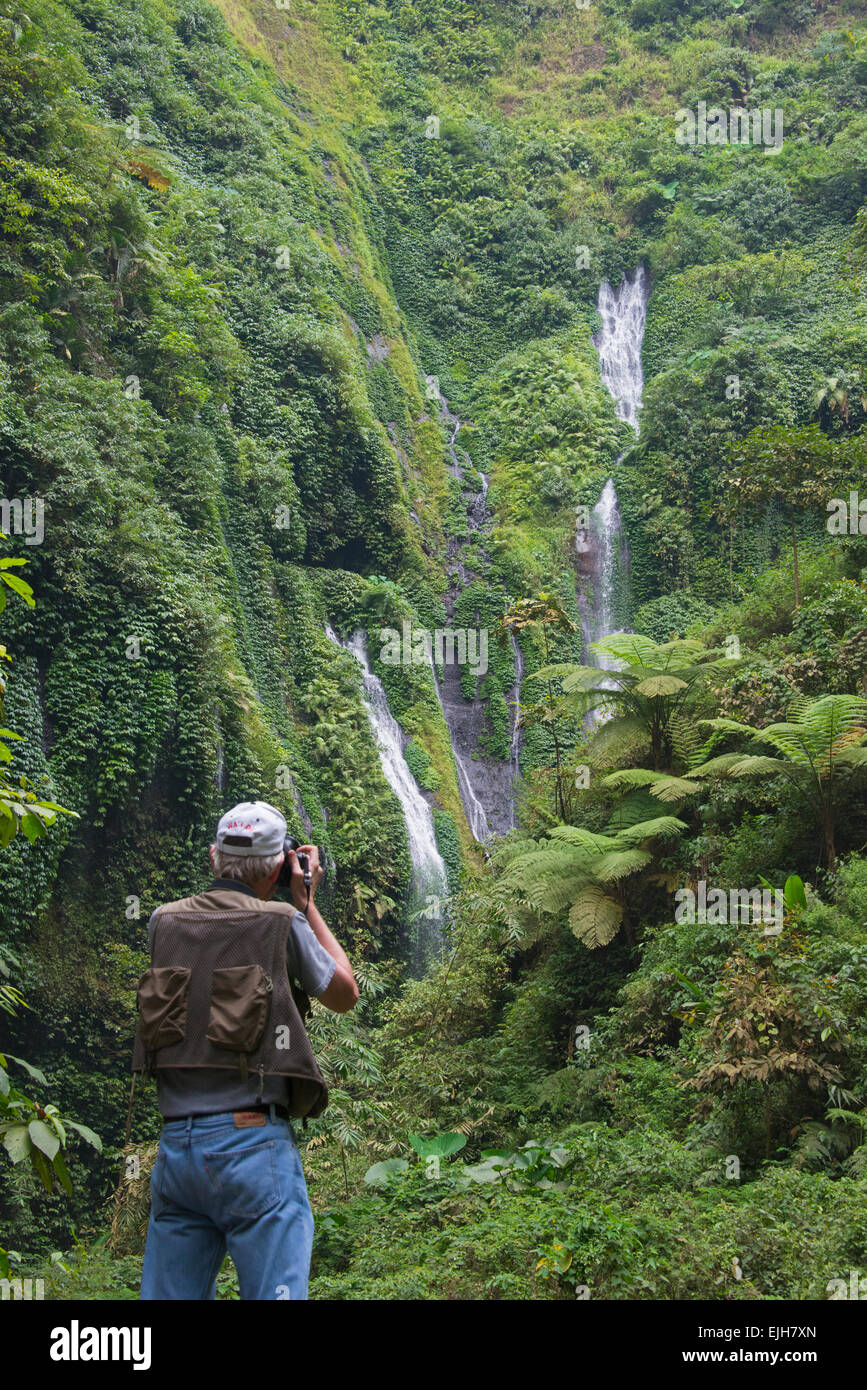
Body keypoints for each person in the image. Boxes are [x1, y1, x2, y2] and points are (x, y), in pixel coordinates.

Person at [137, 800, 358, 1300]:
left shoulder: (161, 923)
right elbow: (344, 993)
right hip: (252, 1147)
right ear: (282, 865)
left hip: (177, 1149)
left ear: (214, 859)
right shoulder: (282, 921)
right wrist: (306, 904)